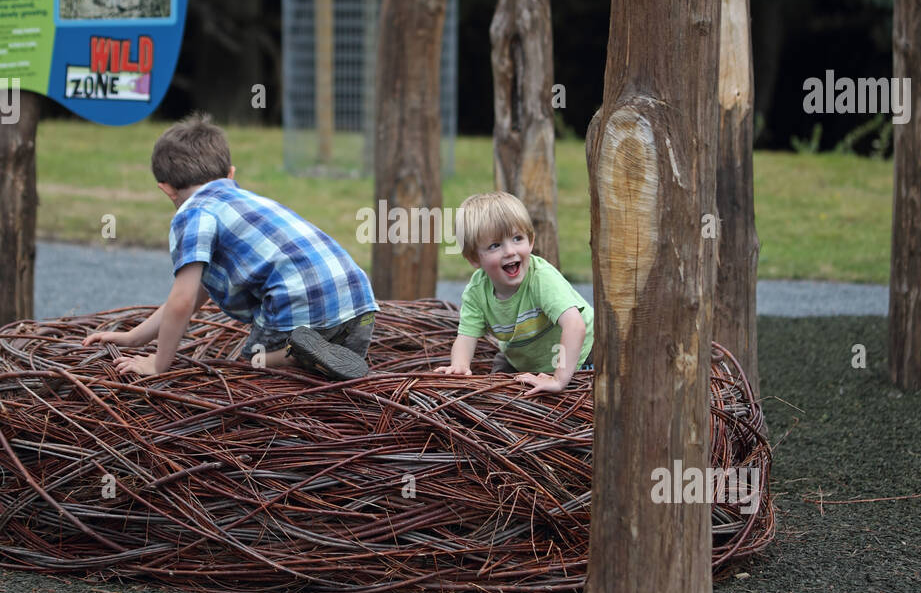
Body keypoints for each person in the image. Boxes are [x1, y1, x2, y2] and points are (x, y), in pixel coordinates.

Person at [82, 113, 379, 381]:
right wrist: (135, 337)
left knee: (250, 363)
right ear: (231, 174)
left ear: (167, 188)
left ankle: (294, 356)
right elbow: (200, 292)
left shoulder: (193, 214)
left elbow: (183, 300)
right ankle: (324, 354)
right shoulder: (249, 202)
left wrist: (159, 364)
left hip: (297, 309)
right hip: (357, 300)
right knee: (333, 359)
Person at [435, 191, 593, 395]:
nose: (510, 251)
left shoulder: (541, 278)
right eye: (495, 245)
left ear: (531, 241)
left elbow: (575, 326)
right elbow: (466, 337)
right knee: (497, 385)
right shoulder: (477, 291)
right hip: (522, 355)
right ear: (474, 259)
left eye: (517, 238)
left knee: (572, 392)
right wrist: (460, 366)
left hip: (580, 354)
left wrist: (558, 379)